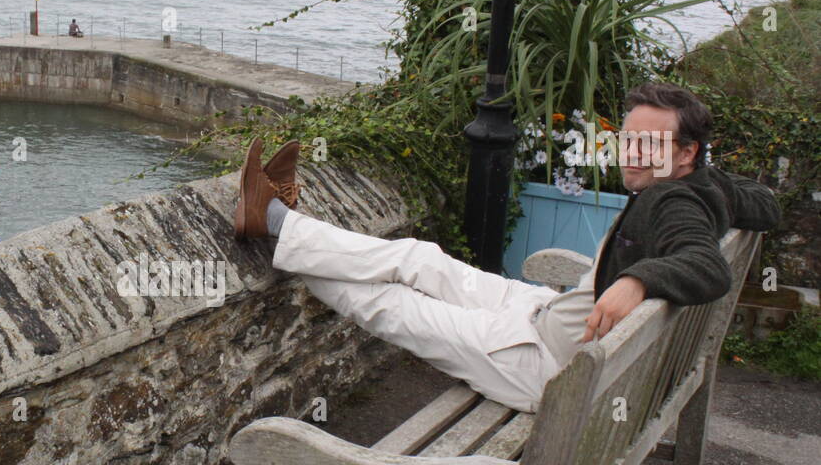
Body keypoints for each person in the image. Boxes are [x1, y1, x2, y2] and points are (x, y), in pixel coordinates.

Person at [234, 83, 781, 413]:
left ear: (685, 154)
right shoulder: (698, 184)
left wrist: (638, 280)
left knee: (385, 303)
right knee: (419, 258)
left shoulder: (675, 205)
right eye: (627, 138)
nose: (631, 152)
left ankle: (274, 223)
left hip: (545, 365)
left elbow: (707, 266)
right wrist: (716, 181)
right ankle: (283, 220)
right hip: (546, 312)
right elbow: (768, 205)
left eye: (650, 143)